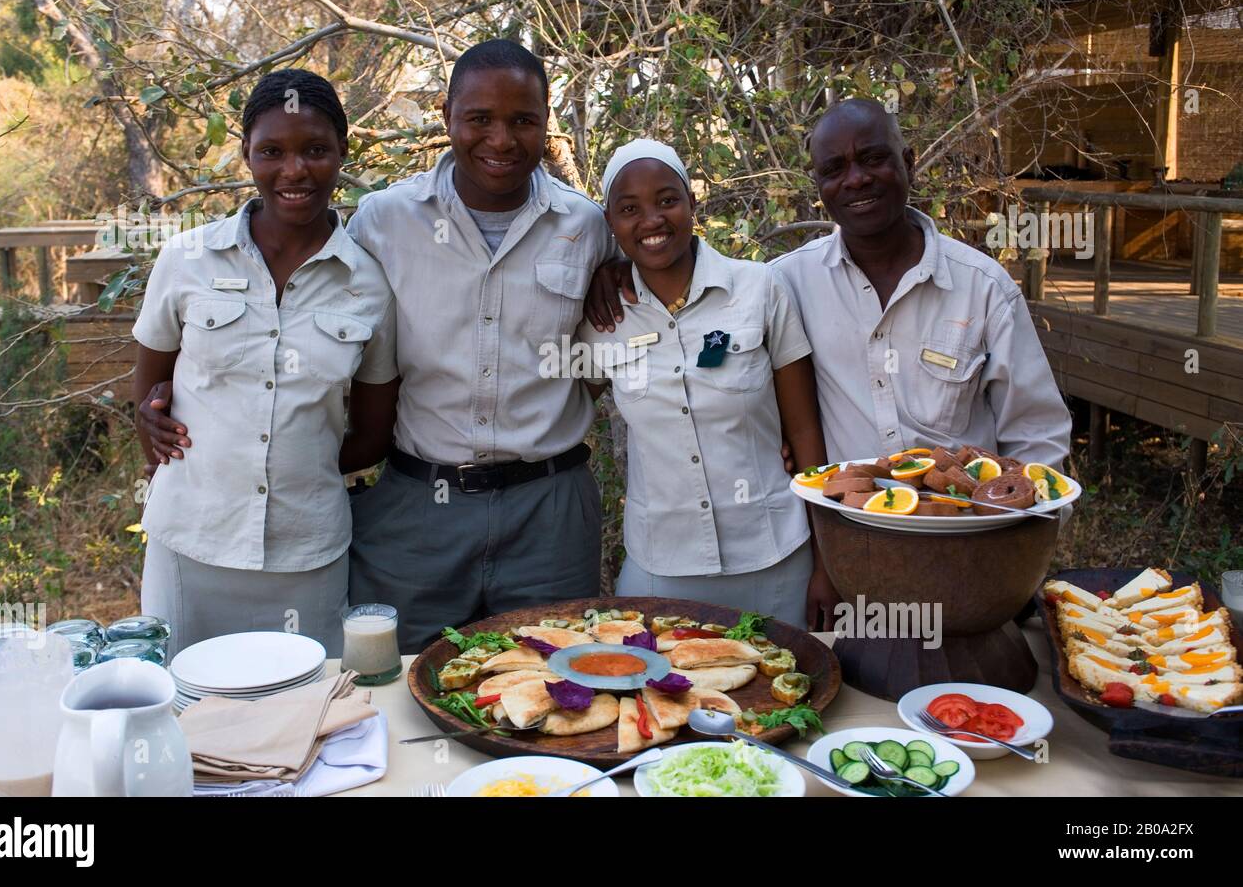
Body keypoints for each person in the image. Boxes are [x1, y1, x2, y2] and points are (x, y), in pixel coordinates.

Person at [583, 99, 1072, 628]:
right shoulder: (785, 281)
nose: (856, 180)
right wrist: (609, 270)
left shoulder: (983, 288)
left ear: (908, 161)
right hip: (848, 551)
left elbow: (1037, 435)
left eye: (874, 159)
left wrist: (1018, 556)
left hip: (959, 548)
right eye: (834, 169)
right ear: (817, 182)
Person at [344, 39, 618, 653]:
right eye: (480, 119)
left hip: (549, 508)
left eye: (523, 120)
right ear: (447, 116)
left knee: (557, 689)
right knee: (397, 681)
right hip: (417, 507)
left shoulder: (586, 226)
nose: (501, 139)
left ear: (546, 124)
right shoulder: (384, 221)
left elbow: (622, 334)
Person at [132, 69, 399, 656]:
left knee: (306, 717)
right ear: (247, 154)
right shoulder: (187, 259)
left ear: (341, 154)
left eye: (315, 151)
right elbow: (148, 388)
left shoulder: (369, 285)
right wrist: (150, 423)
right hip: (191, 542)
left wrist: (297, 463)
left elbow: (374, 435)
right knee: (186, 709)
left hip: (306, 554)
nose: (294, 170)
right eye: (272, 151)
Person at [575, 140, 828, 627]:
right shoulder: (604, 318)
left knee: (788, 696)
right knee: (659, 700)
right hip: (660, 569)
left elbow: (804, 433)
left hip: (775, 556)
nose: (652, 220)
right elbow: (559, 415)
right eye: (629, 209)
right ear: (611, 225)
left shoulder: (760, 290)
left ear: (692, 203)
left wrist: (827, 560)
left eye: (667, 200)